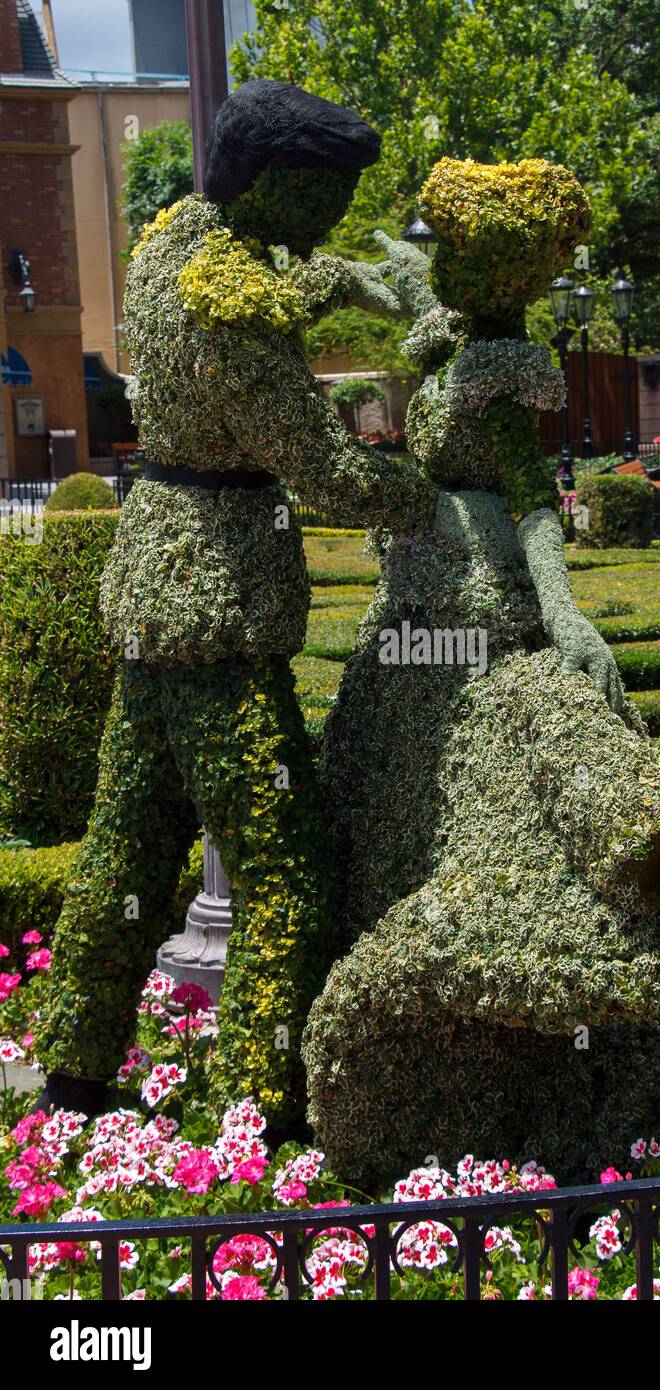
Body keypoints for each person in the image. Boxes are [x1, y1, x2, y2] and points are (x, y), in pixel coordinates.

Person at [35, 80, 434, 1131]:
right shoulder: (237, 311)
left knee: (123, 846)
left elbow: (259, 293)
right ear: (271, 185)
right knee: (283, 867)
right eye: (325, 196)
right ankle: (256, 1108)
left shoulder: (176, 245)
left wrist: (346, 281)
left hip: (150, 598)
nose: (336, 215)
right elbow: (321, 469)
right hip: (216, 613)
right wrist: (437, 487)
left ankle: (71, 1085)